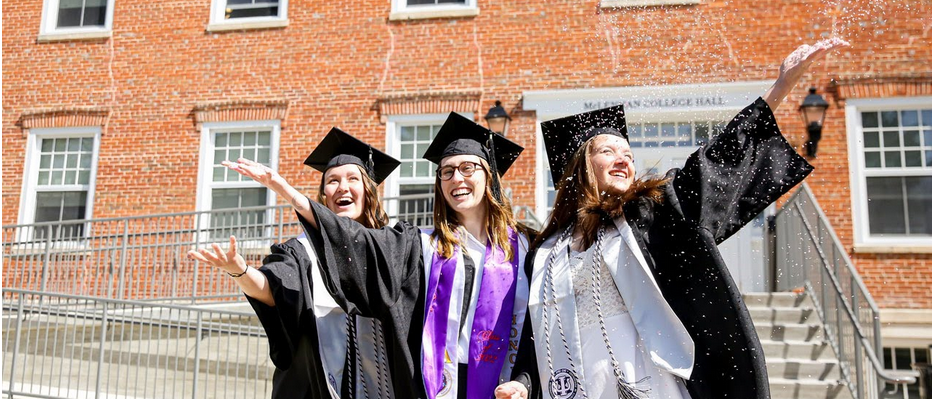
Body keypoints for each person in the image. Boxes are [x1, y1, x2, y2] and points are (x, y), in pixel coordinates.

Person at [495, 38, 850, 399]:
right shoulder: (546, 251)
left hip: (651, 385)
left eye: (628, 154)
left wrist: (780, 88)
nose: (624, 160)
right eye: (607, 151)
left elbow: (716, 160)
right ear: (580, 168)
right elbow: (534, 331)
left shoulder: (649, 215)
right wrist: (523, 383)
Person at [224, 112, 533, 399]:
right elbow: (352, 247)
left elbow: (537, 325)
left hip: (501, 384)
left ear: (489, 175)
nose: (456, 178)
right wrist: (289, 196)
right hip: (424, 384)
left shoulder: (527, 246)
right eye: (447, 171)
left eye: (468, 168)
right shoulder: (419, 244)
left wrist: (525, 380)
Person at [187, 127, 401, 399]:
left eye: (352, 179)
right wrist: (239, 270)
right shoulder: (301, 250)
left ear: (368, 190)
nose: (342, 187)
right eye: (332, 181)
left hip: (383, 382)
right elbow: (272, 287)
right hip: (314, 384)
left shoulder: (392, 245)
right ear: (323, 196)